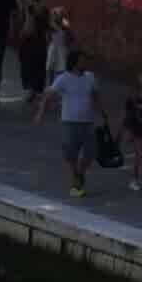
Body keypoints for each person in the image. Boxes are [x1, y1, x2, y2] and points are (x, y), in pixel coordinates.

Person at [47, 53, 104, 197]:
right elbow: (49, 94)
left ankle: (81, 172)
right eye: (81, 61)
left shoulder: (90, 77)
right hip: (70, 122)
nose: (84, 63)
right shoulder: (64, 78)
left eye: (84, 60)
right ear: (74, 63)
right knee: (70, 154)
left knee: (91, 152)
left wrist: (102, 112)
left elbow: (95, 96)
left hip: (88, 122)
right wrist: (40, 113)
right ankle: (75, 180)